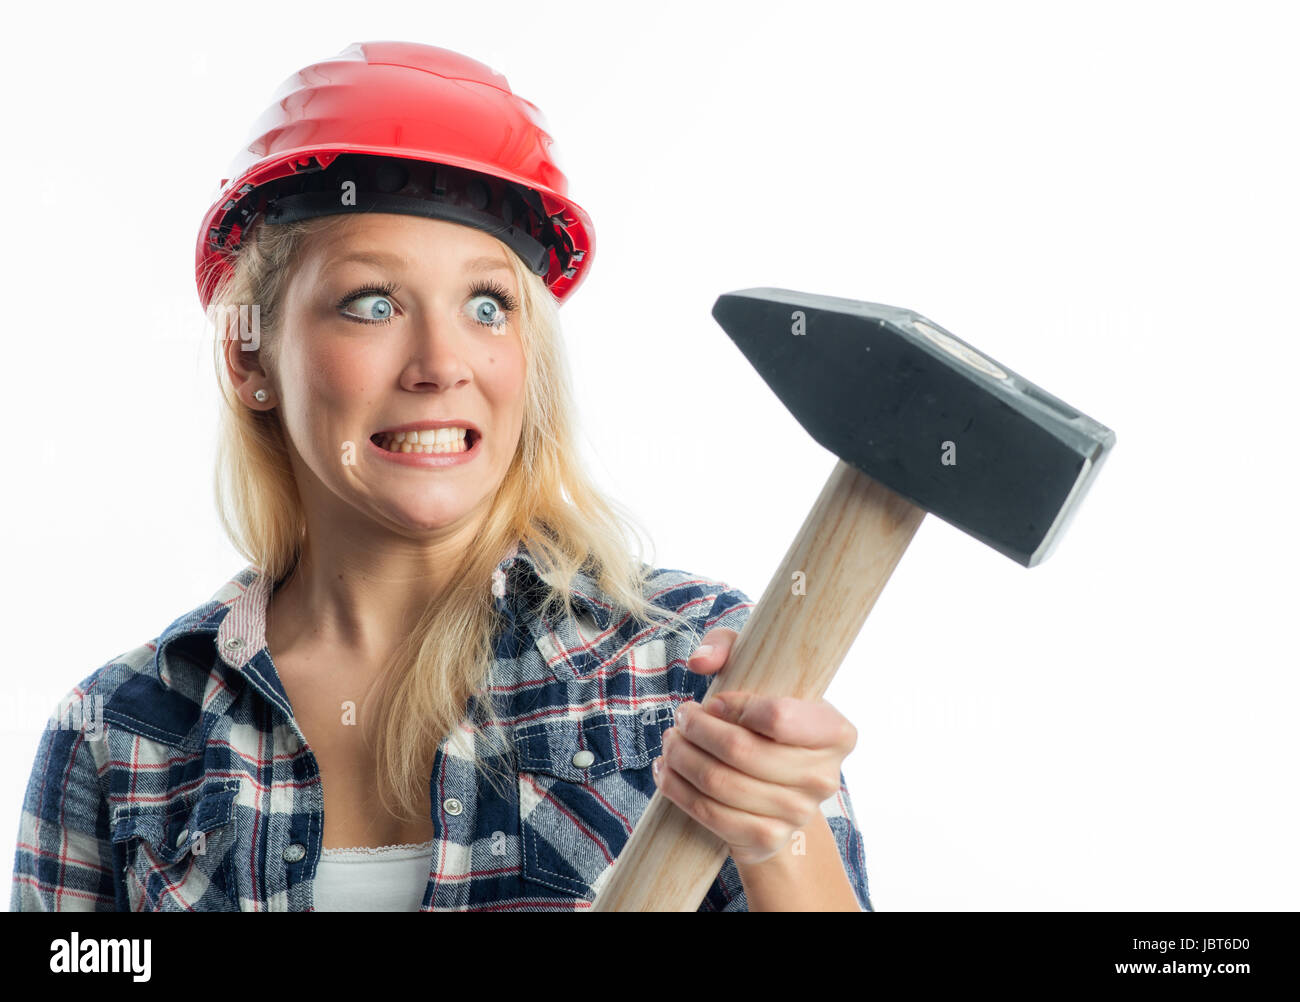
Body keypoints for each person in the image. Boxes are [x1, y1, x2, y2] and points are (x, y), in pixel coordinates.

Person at [10, 40, 873, 912]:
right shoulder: (119, 736)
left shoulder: (691, 672)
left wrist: (779, 838)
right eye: (373, 304)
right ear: (250, 359)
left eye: (487, 306)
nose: (440, 364)